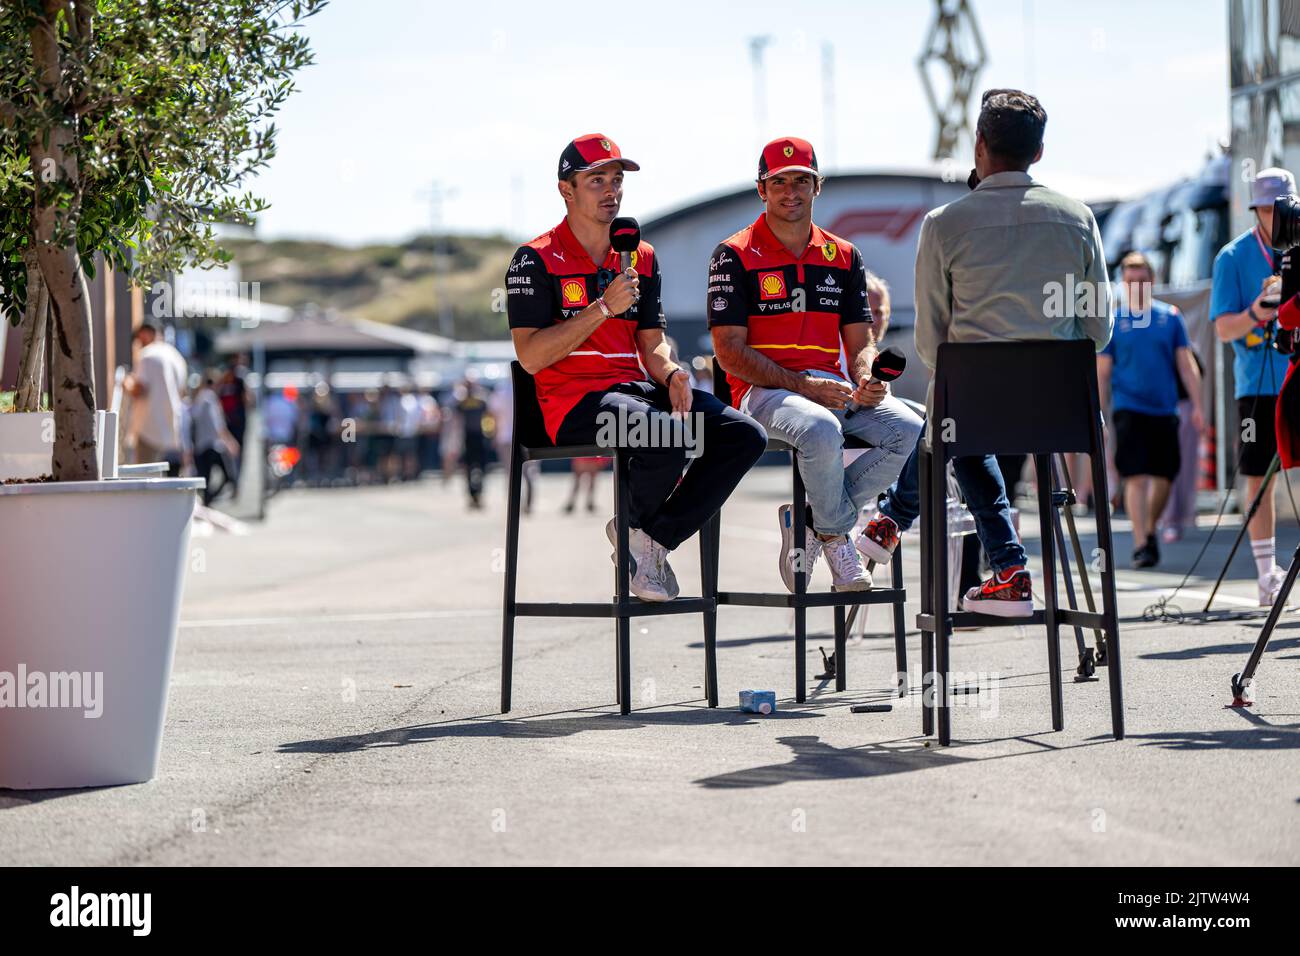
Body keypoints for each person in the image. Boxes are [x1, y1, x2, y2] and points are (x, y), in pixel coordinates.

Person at [858, 89, 1112, 616]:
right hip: (1064, 412)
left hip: (974, 413)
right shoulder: (1080, 218)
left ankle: (896, 521)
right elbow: (1099, 329)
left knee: (952, 412)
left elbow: (932, 343)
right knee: (956, 414)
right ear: (1038, 152)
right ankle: (1002, 566)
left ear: (979, 146)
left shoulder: (944, 224)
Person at [507, 133, 767, 602]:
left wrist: (671, 372)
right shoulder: (535, 258)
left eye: (617, 180)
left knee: (744, 435)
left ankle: (649, 541)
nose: (611, 191)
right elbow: (531, 356)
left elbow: (652, 345)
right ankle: (637, 539)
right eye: (596, 180)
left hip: (638, 392)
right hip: (574, 403)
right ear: (566, 190)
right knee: (663, 433)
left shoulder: (640, 255)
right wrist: (601, 309)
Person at [709, 136, 923, 592]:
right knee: (821, 429)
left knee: (909, 427)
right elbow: (728, 352)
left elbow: (861, 340)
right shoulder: (733, 253)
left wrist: (866, 377)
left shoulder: (843, 254)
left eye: (801, 180)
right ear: (761, 190)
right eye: (779, 181)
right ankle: (835, 534)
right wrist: (803, 386)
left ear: (817, 186)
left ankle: (812, 517)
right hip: (762, 392)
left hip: (828, 386)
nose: (791, 191)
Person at [1210, 166, 1296, 606]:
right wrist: (1260, 311)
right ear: (1255, 210)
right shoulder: (1232, 257)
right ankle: (1267, 573)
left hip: (1297, 376)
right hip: (1257, 384)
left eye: (1282, 209)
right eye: (1267, 209)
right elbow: (1223, 329)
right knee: (1258, 475)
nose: (1275, 217)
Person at [1097, 251, 1204, 568]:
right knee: (1136, 476)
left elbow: (1186, 366)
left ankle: (1151, 528)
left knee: (1164, 476)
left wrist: (1198, 406)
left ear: (1153, 281)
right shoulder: (1113, 322)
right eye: (1131, 281)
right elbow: (1102, 373)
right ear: (1123, 284)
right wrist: (1098, 414)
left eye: (1143, 280)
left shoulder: (1170, 317)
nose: (1137, 286)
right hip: (1128, 409)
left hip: (1165, 410)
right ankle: (1141, 541)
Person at [124, 318, 188, 476]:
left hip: (148, 428)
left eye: (139, 339)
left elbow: (139, 389)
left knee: (145, 479)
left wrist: (127, 382)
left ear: (145, 334)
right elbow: (182, 392)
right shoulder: (176, 356)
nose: (138, 344)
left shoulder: (147, 355)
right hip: (173, 429)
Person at [190, 372, 240, 505]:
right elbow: (217, 424)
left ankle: (207, 501)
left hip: (200, 446)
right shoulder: (210, 398)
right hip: (213, 445)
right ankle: (208, 500)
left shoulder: (198, 399)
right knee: (229, 477)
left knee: (205, 479)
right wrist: (230, 441)